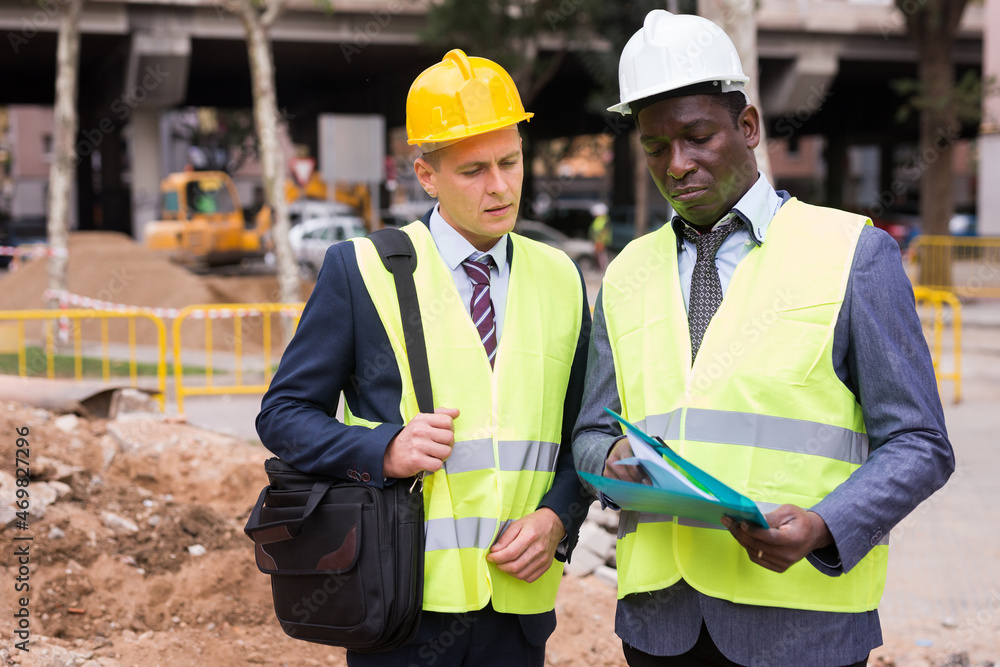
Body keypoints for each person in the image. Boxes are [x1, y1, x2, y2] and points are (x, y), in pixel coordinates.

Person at [572, 10, 954, 667]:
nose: (678, 163)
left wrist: (825, 525)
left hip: (803, 624)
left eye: (697, 137)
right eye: (656, 147)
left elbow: (920, 441)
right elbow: (588, 434)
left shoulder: (852, 254)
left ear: (747, 126)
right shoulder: (626, 272)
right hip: (659, 625)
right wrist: (610, 465)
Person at [257, 49, 591, 667]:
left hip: (517, 613)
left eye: (510, 162)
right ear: (426, 175)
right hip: (399, 608)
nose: (499, 186)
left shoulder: (561, 277)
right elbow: (282, 414)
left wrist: (556, 520)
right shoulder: (360, 271)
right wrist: (381, 450)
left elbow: (581, 434)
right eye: (473, 170)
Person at [589, 202, 611, 270]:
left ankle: (603, 269)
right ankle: (601, 268)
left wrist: (600, 239)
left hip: (600, 241)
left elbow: (603, 231)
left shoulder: (603, 220)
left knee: (602, 256)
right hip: (598, 240)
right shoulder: (600, 220)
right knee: (599, 256)